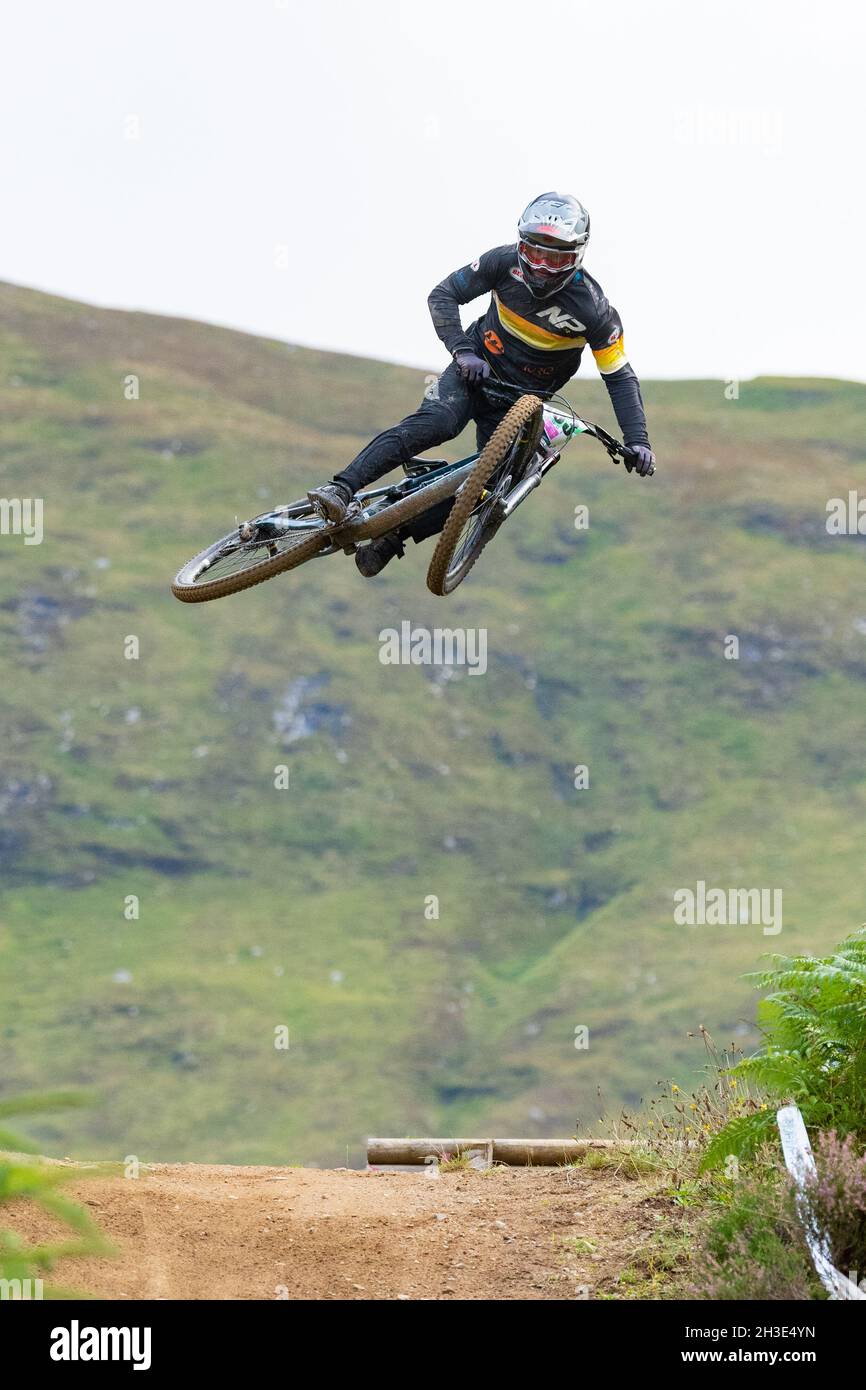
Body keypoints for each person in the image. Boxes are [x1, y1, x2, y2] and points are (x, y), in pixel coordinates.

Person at [308, 192, 656, 577]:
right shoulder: (502, 261)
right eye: (534, 252)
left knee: (494, 485)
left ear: (577, 258)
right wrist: (462, 351)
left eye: (556, 259)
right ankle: (340, 489)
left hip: (521, 403)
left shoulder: (596, 311)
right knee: (438, 423)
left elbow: (619, 376)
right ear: (521, 244)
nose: (541, 266)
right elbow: (443, 295)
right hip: (475, 371)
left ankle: (394, 537)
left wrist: (637, 439)